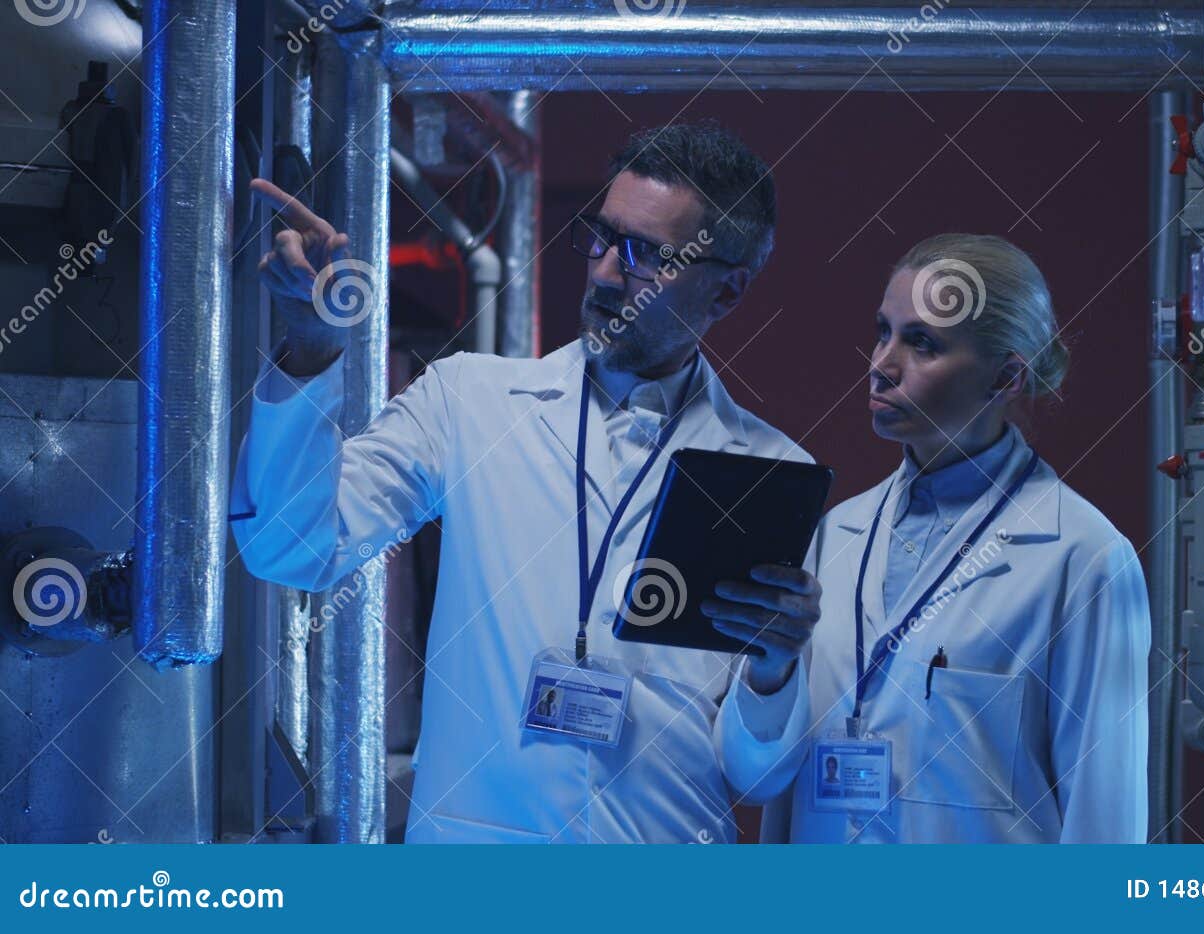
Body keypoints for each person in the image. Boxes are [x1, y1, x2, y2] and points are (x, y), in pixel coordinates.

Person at [231, 121, 821, 843]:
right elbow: (289, 548)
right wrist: (313, 347)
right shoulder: (466, 402)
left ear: (726, 292)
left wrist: (773, 668)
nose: (606, 272)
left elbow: (757, 777)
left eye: (645, 257)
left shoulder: (770, 475)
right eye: (602, 237)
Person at [712, 233, 1152, 843]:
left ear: (1005, 376)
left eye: (921, 343)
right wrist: (772, 672)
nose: (882, 365)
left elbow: (1106, 824)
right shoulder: (833, 534)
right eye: (882, 332)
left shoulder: (1082, 558)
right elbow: (754, 781)